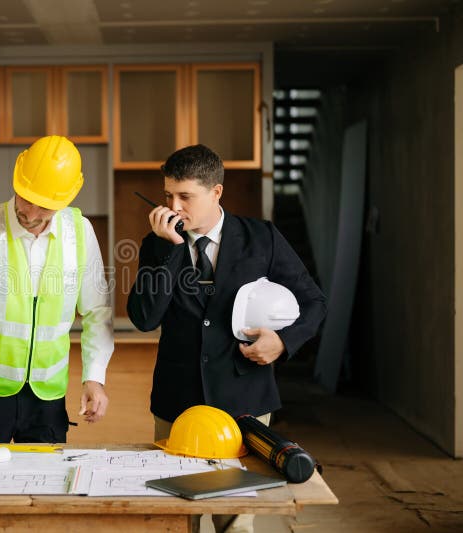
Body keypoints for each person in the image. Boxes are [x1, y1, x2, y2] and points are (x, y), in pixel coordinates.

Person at [126, 144, 326, 533]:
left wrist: (283, 342)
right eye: (169, 195)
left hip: (244, 401)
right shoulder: (157, 242)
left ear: (216, 192)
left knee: (235, 521)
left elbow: (314, 301)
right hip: (177, 402)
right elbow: (144, 318)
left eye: (185, 196)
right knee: (177, 518)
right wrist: (168, 252)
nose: (174, 205)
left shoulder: (262, 238)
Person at [0, 135, 114, 453]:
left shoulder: (80, 233)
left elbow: (98, 312)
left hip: (48, 401)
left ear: (66, 200)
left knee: (45, 496)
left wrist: (94, 377)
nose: (31, 211)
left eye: (45, 205)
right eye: (26, 197)